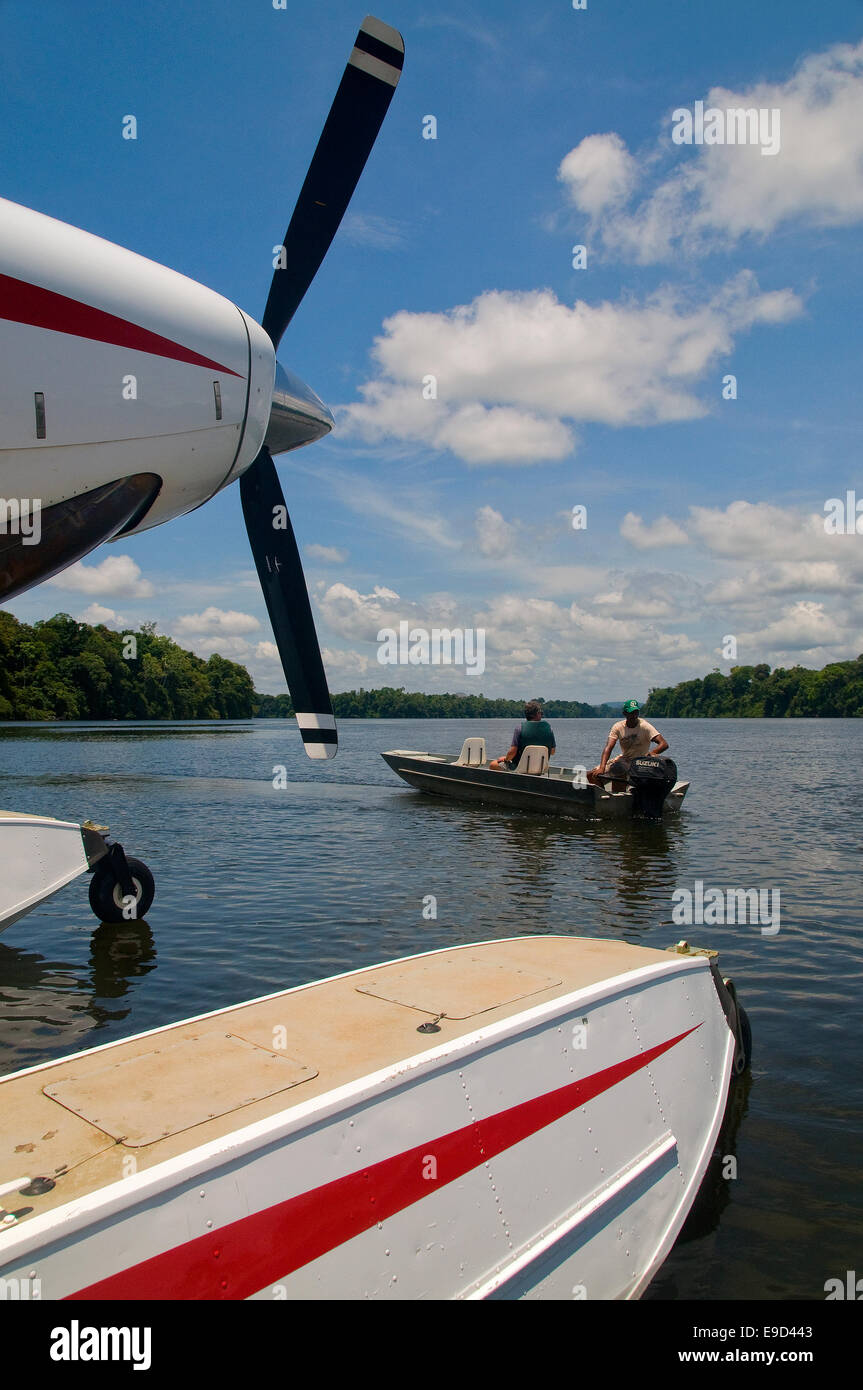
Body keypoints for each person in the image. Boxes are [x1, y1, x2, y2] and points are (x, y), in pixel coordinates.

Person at [588, 700, 668, 789]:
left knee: (617, 771)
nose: (634, 716)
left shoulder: (645, 726)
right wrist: (602, 767)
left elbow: (663, 744)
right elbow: (609, 747)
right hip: (625, 759)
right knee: (591, 775)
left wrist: (651, 754)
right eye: (631, 713)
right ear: (625, 713)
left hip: (640, 761)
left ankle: (619, 794)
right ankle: (603, 795)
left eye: (636, 712)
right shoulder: (618, 726)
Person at [490, 700, 556, 771]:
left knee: (493, 764)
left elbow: (512, 752)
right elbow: (552, 752)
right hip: (541, 768)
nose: (542, 715)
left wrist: (505, 759)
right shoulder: (549, 729)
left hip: (520, 767)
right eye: (541, 713)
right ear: (537, 714)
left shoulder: (520, 728)